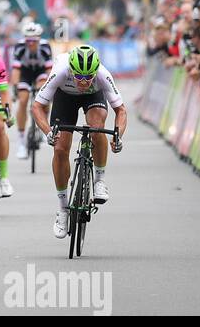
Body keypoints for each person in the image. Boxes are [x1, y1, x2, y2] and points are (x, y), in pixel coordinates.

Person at [30, 45, 127, 240]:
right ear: (71, 71)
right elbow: (37, 106)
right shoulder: (60, 71)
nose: (83, 82)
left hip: (94, 97)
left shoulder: (102, 75)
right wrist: (48, 132)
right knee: (60, 149)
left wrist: (117, 136)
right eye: (79, 77)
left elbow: (121, 110)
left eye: (87, 77)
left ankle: (99, 181)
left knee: (96, 126)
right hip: (64, 98)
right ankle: (63, 210)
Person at [12, 20, 54, 160]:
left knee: (44, 93)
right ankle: (22, 142)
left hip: (40, 73)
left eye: (34, 40)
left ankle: (43, 125)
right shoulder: (19, 47)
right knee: (23, 100)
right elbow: (16, 71)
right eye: (28, 40)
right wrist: (15, 87)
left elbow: (49, 71)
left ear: (39, 39)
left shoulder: (45, 47)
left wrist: (49, 89)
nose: (30, 43)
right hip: (25, 73)